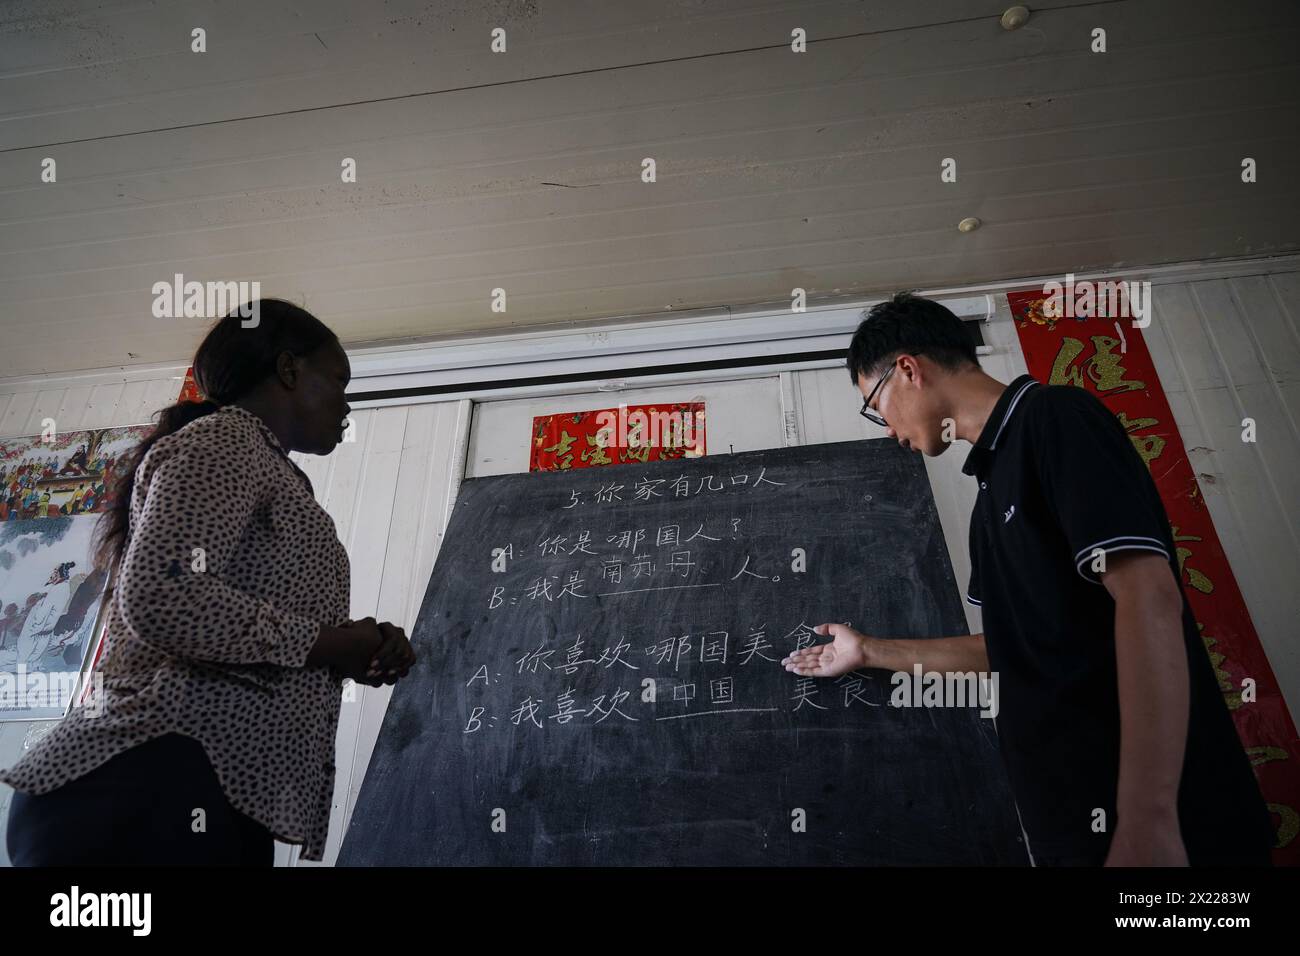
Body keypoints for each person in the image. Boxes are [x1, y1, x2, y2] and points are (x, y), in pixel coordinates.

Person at [783, 292, 1274, 867]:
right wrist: (870, 651)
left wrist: (1149, 816)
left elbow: (1149, 597)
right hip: (1074, 826)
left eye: (875, 405)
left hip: (1163, 830)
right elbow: (1008, 651)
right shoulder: (988, 501)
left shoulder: (1054, 419)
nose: (889, 431)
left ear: (909, 370)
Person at [2, 299, 416, 866]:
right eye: (339, 381)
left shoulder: (266, 468)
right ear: (288, 369)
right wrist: (330, 645)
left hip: (201, 787)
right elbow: (164, 595)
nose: (347, 403)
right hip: (151, 781)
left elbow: (228, 616)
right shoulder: (226, 443)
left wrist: (351, 646)